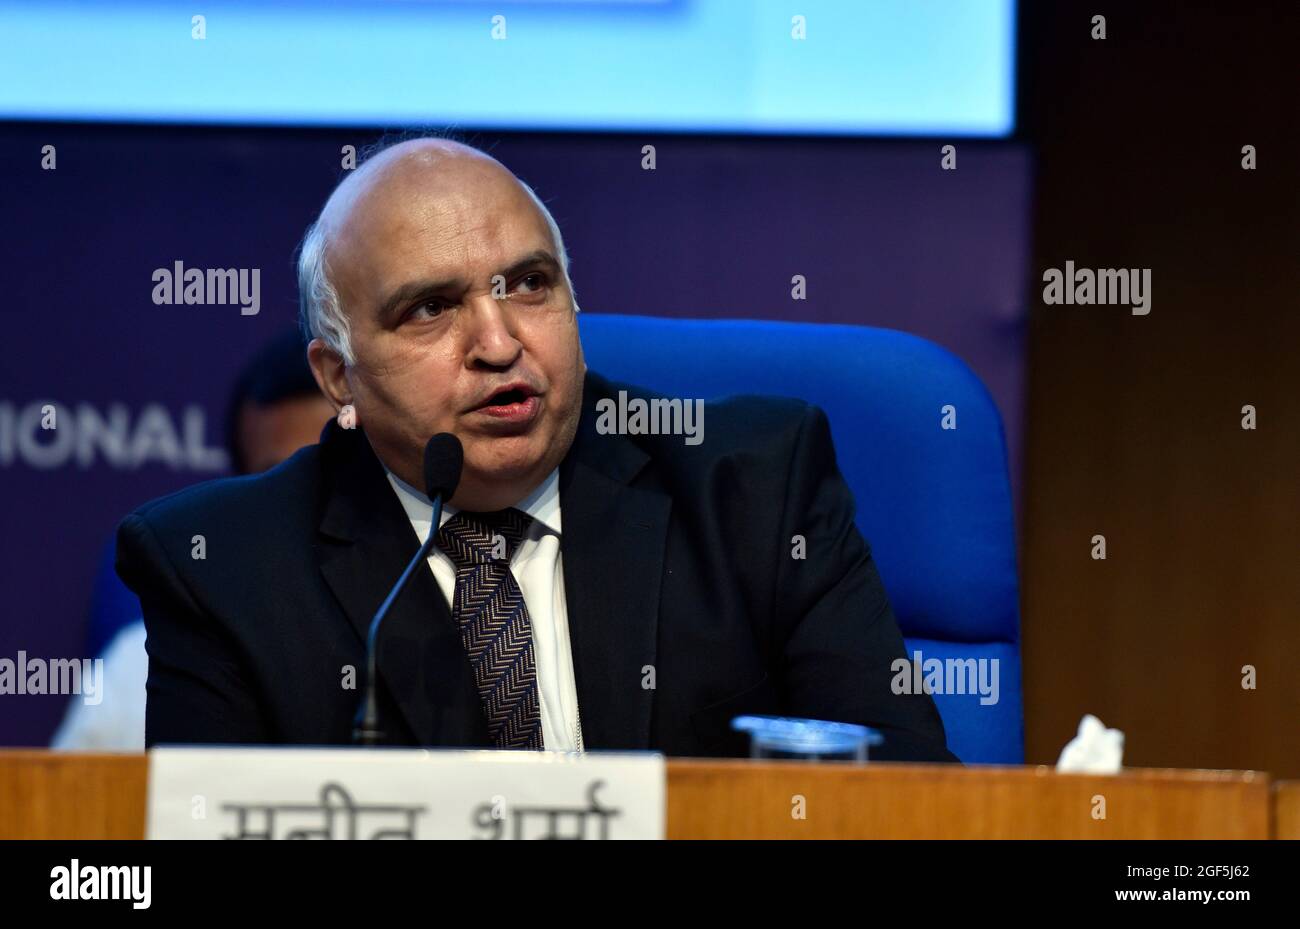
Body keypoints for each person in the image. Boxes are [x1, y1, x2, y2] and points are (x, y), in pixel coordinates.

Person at [117, 137, 956, 761]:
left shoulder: (754, 489)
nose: (499, 341)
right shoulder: (224, 568)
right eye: (431, 309)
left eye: (529, 284)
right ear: (338, 376)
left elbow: (912, 799)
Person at [51, 330, 334, 749]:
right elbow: (63, 810)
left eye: (325, 472)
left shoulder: (444, 631)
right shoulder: (138, 668)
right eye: (277, 480)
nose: (302, 500)